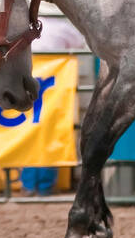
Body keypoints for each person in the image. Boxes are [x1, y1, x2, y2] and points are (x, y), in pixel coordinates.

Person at [18, 17, 86, 197]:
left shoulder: (24, 25)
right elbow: (80, 43)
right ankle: (44, 185)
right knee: (51, 131)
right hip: (54, 87)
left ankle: (28, 184)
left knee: (28, 130)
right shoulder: (63, 26)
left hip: (26, 84)